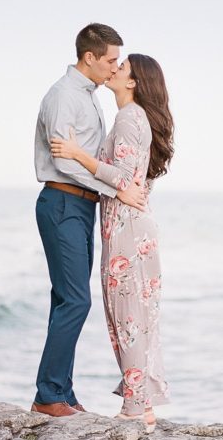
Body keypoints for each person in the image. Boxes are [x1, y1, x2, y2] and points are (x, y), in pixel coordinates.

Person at [50, 53, 173, 430]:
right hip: (135, 225)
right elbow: (136, 180)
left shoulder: (128, 117)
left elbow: (121, 176)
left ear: (133, 82)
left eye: (122, 68)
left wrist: (76, 154)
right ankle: (144, 405)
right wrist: (129, 193)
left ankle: (134, 410)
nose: (115, 70)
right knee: (138, 316)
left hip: (127, 230)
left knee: (128, 317)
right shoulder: (137, 119)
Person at [32, 24, 147, 418]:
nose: (114, 67)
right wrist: (117, 190)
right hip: (63, 202)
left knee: (67, 299)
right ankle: (48, 395)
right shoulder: (65, 96)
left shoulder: (87, 96)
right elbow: (64, 160)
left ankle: (60, 392)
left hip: (80, 206)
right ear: (90, 58)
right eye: (111, 60)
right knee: (75, 300)